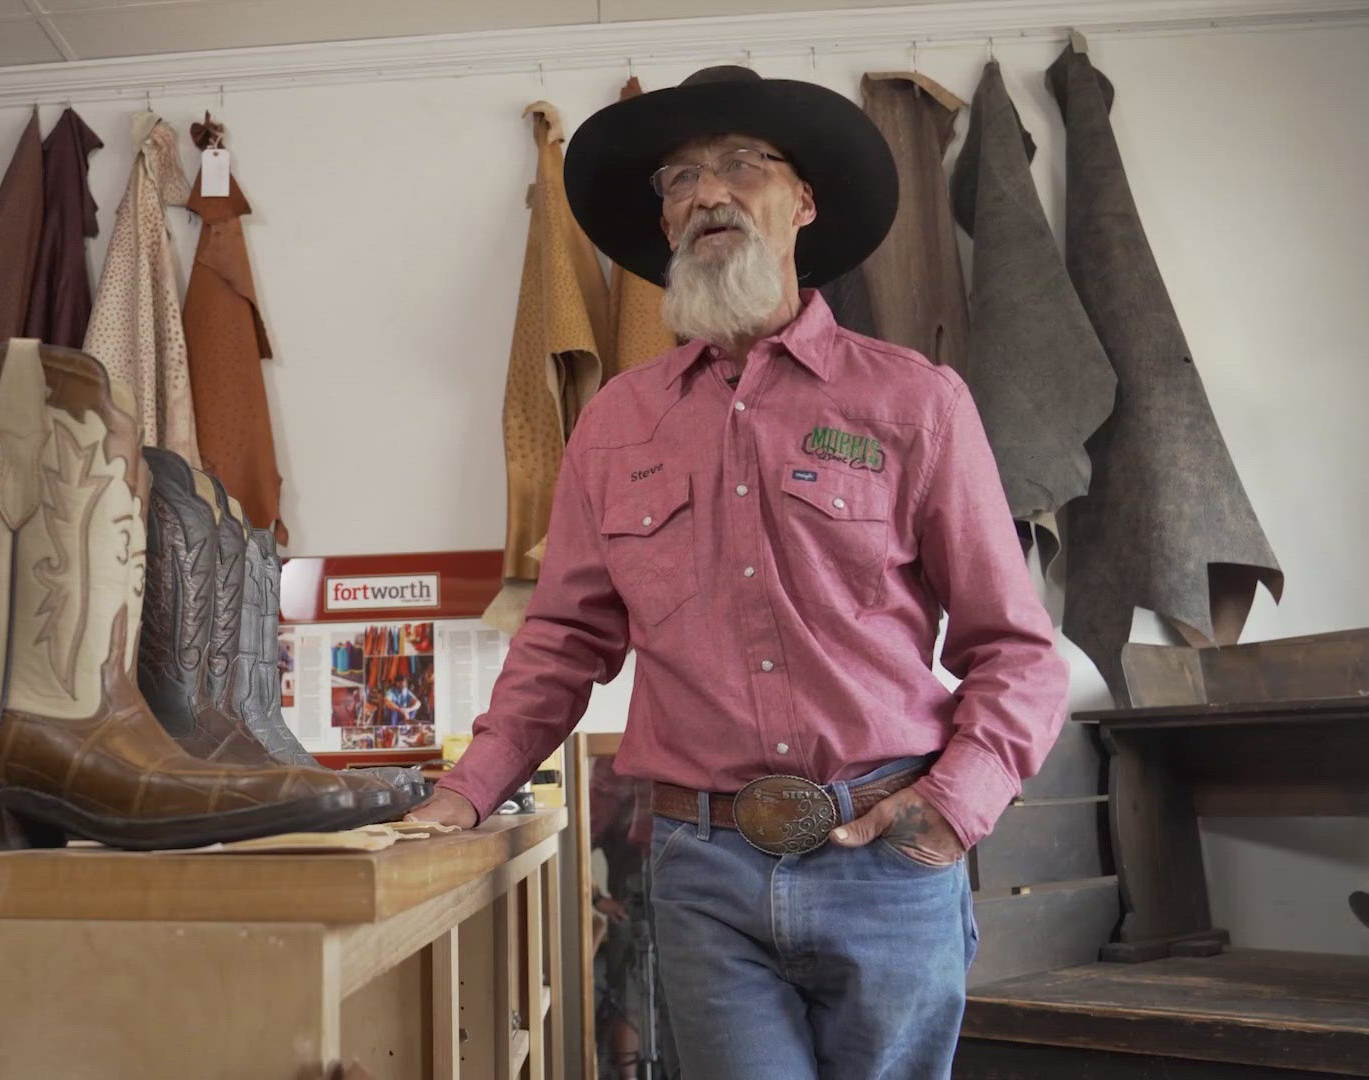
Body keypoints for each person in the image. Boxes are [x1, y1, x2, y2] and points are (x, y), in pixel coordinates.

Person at [409, 65, 1068, 1078]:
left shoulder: (914, 403)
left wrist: (954, 807)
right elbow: (563, 641)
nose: (707, 192)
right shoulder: (617, 424)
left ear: (801, 203)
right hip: (701, 869)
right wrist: (467, 791)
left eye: (743, 165)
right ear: (667, 225)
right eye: (678, 180)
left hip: (887, 853)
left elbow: (1015, 650)